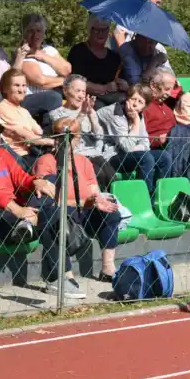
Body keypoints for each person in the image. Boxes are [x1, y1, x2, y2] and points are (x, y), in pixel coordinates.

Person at [0, 109, 75, 295]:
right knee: (52, 216)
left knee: (47, 181)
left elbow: (20, 178)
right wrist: (17, 210)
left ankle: (27, 225)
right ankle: (59, 277)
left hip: (15, 213)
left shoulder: (2, 153)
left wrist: (35, 181)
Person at [33, 117, 124, 283]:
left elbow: (93, 192)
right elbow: (51, 202)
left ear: (79, 139)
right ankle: (66, 274)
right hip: (62, 214)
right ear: (54, 139)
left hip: (83, 213)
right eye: (60, 137)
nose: (65, 142)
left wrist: (99, 201)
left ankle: (108, 268)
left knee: (112, 214)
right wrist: (84, 202)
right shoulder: (46, 161)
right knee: (59, 215)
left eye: (71, 137)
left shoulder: (84, 162)